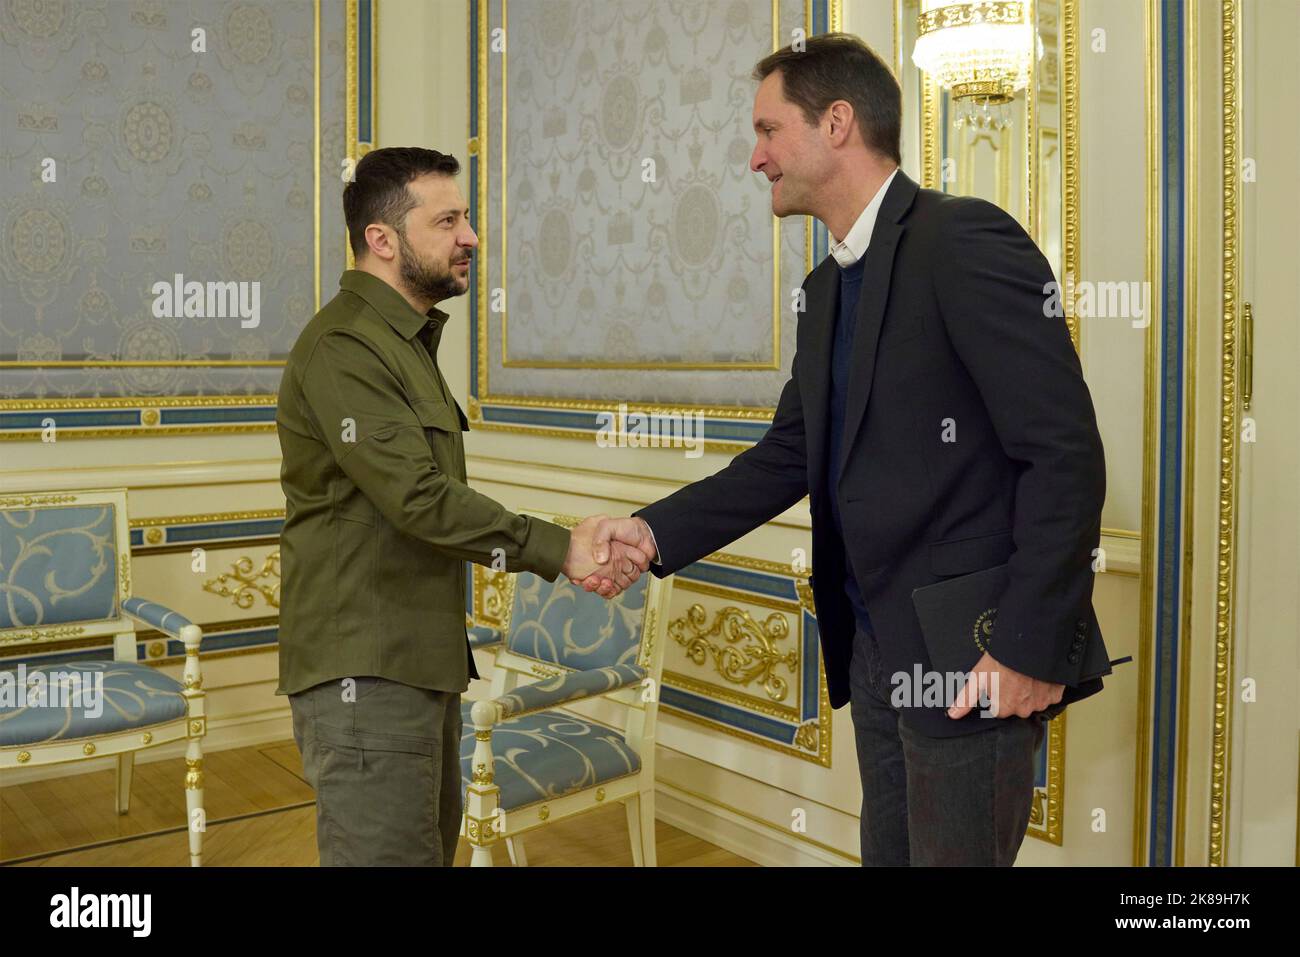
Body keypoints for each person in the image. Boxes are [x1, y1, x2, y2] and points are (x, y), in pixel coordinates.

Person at [580, 34, 1107, 867]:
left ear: (836, 122)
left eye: (767, 130)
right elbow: (787, 456)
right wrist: (650, 533)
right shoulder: (825, 290)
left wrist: (1028, 644)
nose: (755, 159)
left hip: (977, 656)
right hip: (875, 655)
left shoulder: (962, 239)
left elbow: (1065, 452)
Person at [275, 147, 651, 866]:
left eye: (467, 217)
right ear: (381, 240)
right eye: (448, 219)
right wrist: (562, 546)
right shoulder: (345, 346)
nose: (470, 236)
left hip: (417, 668)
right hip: (367, 678)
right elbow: (418, 499)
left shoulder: (401, 342)